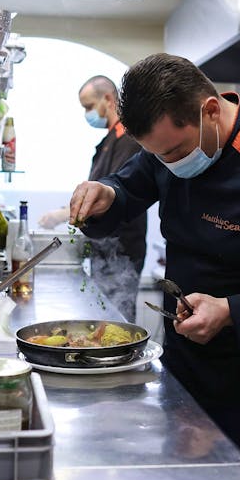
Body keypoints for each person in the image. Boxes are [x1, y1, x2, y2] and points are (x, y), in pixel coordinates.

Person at [69, 54, 240, 470]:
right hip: (179, 363)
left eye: (176, 151)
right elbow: (127, 189)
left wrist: (230, 310)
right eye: (157, 155)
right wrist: (106, 193)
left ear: (211, 110)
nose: (169, 164)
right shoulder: (168, 143)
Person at [41, 75, 147, 321]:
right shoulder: (108, 142)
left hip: (121, 252)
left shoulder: (128, 141)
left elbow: (110, 198)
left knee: (117, 323)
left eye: (89, 107)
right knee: (103, 319)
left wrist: (61, 215)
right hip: (103, 250)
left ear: (108, 99)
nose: (87, 114)